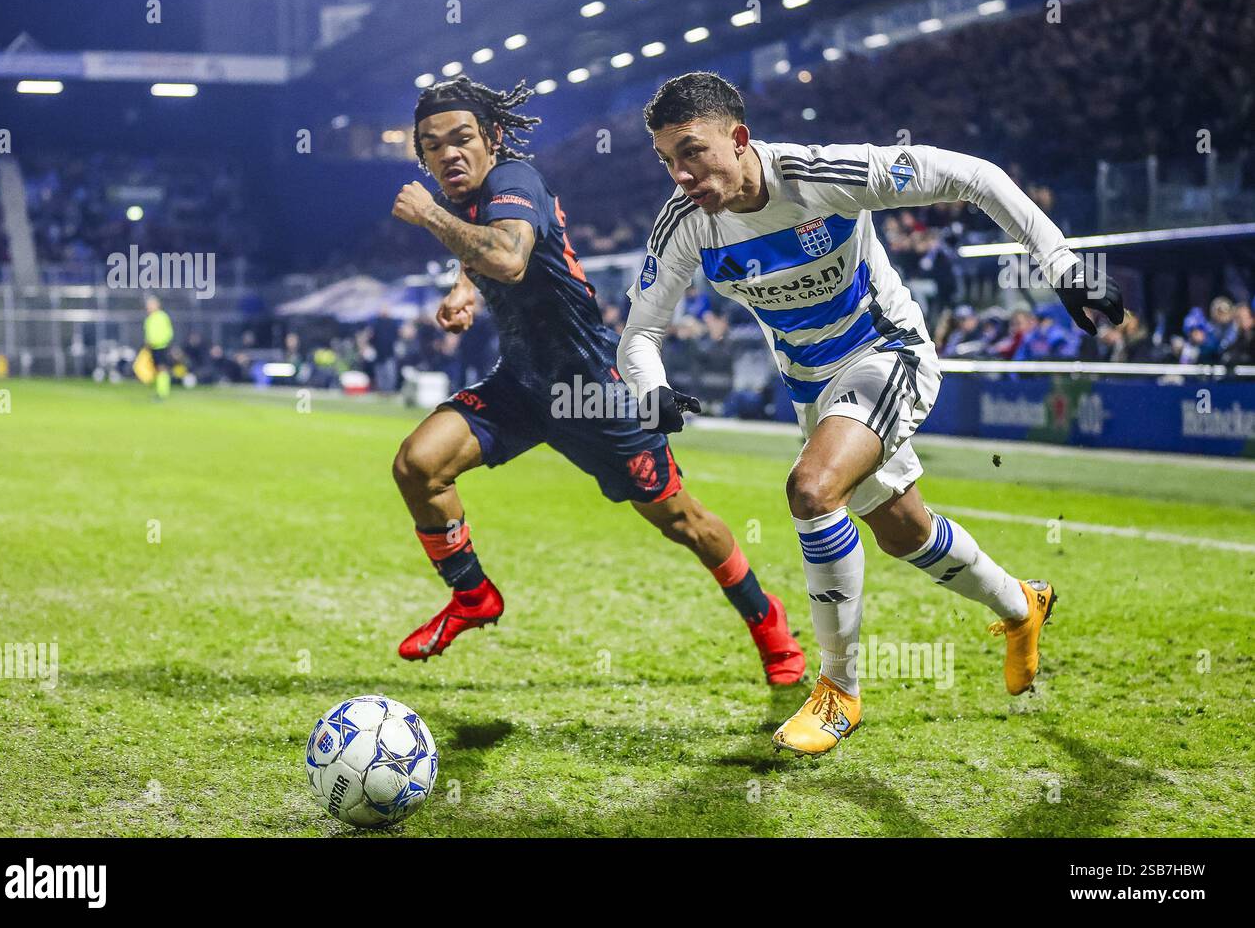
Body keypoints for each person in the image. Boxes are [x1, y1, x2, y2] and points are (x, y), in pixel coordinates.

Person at [618, 72, 1123, 755]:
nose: (681, 174)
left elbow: (970, 174)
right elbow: (639, 334)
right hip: (813, 391)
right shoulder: (686, 225)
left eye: (692, 151)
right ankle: (1021, 602)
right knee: (902, 530)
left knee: (810, 489)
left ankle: (839, 690)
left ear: (738, 139)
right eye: (667, 161)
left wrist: (1061, 262)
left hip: (888, 353)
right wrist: (651, 389)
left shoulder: (822, 175)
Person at [388, 76, 805, 683]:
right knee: (417, 464)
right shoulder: (469, 198)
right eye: (432, 145)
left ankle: (767, 619)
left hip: (590, 393)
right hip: (523, 386)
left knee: (682, 521)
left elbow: (507, 254)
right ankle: (473, 595)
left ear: (494, 139)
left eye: (461, 139)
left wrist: (427, 217)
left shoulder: (513, 181)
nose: (448, 153)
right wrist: (462, 286)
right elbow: (483, 250)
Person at [143, 295, 173, 401]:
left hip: (161, 347)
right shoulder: (149, 318)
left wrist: (157, 342)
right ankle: (159, 391)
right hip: (153, 348)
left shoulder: (162, 316)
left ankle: (163, 393)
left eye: (151, 305)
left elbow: (168, 333)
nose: (149, 307)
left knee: (162, 369)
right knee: (157, 370)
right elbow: (149, 334)